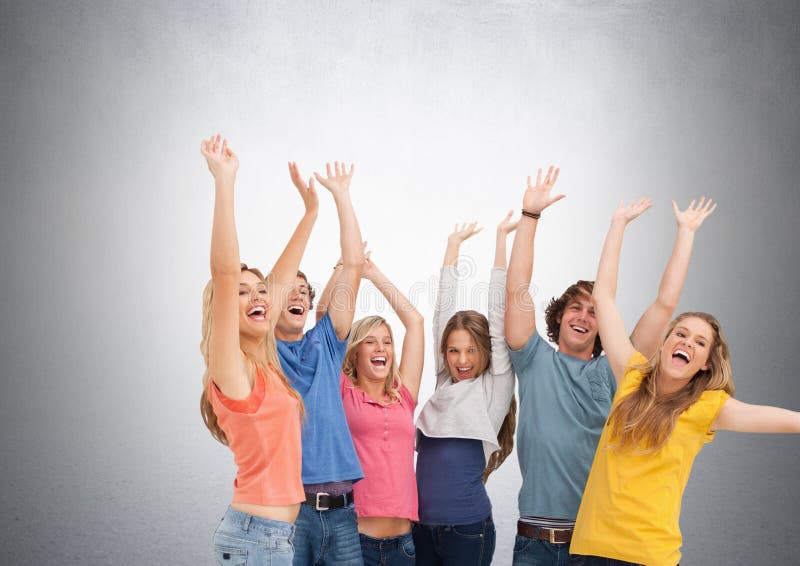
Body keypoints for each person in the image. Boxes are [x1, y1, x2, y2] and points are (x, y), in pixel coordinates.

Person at [505, 167, 718, 566]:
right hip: (534, 541)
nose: (584, 316)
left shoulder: (620, 371)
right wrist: (530, 217)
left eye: (593, 311)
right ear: (560, 316)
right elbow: (517, 286)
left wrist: (683, 233)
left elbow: (663, 306)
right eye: (575, 308)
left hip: (597, 543)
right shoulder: (532, 359)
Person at [570, 198, 800, 566]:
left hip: (651, 556)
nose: (686, 343)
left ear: (706, 364)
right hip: (591, 551)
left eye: (699, 342)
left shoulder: (707, 407)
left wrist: (687, 234)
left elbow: (787, 419)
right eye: (680, 333)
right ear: (664, 344)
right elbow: (605, 297)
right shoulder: (630, 377)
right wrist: (618, 225)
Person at [199, 135, 317, 565]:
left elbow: (280, 280)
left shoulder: (265, 366)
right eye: (243, 293)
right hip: (256, 539)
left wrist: (311, 212)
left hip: (274, 538)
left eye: (261, 291)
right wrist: (225, 182)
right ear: (225, 310)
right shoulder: (231, 370)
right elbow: (225, 272)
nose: (258, 297)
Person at [274, 161, 366, 566]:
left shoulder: (327, 343)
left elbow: (354, 265)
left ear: (310, 304)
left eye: (303, 291)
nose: (296, 295)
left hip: (343, 514)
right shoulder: (263, 353)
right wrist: (308, 213)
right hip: (290, 513)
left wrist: (341, 197)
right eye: (286, 290)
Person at [413, 214, 519, 566]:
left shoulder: (494, 389)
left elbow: (498, 313)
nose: (462, 360)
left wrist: (501, 239)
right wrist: (452, 247)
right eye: (454, 350)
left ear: (486, 352)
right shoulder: (444, 383)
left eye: (472, 350)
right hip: (420, 528)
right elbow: (442, 310)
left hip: (466, 531)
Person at [338, 252, 425, 566]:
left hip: (403, 545)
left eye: (387, 342)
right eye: (370, 342)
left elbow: (414, 321)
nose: (381, 349)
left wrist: (373, 275)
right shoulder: (343, 392)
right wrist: (346, 271)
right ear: (356, 352)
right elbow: (331, 325)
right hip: (353, 544)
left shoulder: (405, 396)